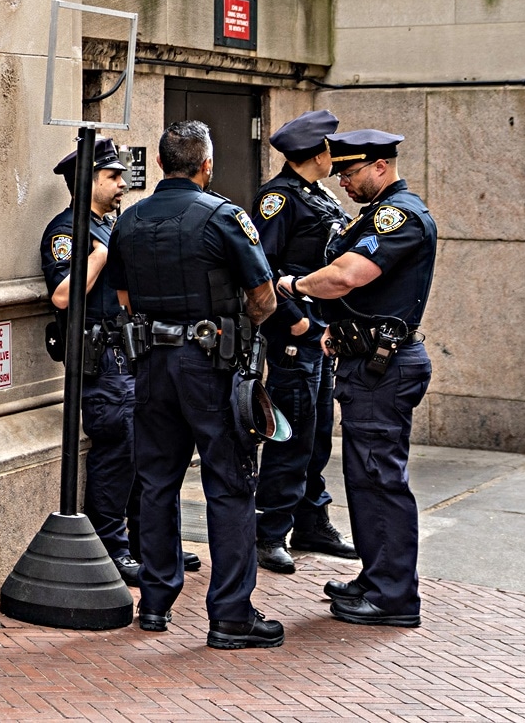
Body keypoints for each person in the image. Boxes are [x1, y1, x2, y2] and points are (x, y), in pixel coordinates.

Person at [106, 119, 282, 649]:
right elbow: (265, 296)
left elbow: (124, 302)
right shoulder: (223, 215)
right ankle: (230, 616)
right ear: (206, 165)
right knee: (229, 484)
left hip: (151, 366)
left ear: (160, 164)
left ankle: (155, 604)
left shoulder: (128, 221)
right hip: (210, 368)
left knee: (157, 482)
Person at [274, 129, 435, 628]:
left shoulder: (399, 215)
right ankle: (377, 578)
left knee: (380, 478)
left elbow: (347, 276)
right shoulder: (374, 214)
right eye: (339, 171)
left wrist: (295, 285)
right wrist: (336, 333)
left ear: (381, 167)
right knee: (365, 477)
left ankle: (393, 598)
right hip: (366, 361)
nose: (342, 180)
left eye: (351, 171)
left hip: (383, 368)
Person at [39, 138, 200, 586]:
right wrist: (100, 254)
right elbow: (63, 295)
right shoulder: (66, 232)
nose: (122, 184)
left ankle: (147, 544)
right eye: (111, 176)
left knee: (139, 454)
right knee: (116, 455)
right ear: (85, 180)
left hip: (129, 356)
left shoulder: (107, 225)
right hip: (102, 363)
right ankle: (111, 548)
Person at [251, 111, 357, 575]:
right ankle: (269, 532)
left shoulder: (318, 194)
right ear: (318, 154)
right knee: (290, 436)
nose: (337, 156)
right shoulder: (278, 198)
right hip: (297, 336)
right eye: (332, 148)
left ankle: (312, 523)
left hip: (323, 334)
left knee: (317, 437)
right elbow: (262, 270)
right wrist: (295, 324)